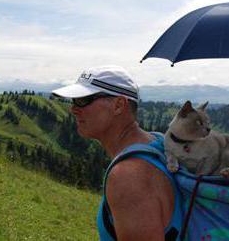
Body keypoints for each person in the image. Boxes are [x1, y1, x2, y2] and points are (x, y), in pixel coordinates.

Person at [52, 65, 182, 241]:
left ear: (119, 105)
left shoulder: (128, 176)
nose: (73, 109)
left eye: (83, 100)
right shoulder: (157, 142)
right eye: (74, 100)